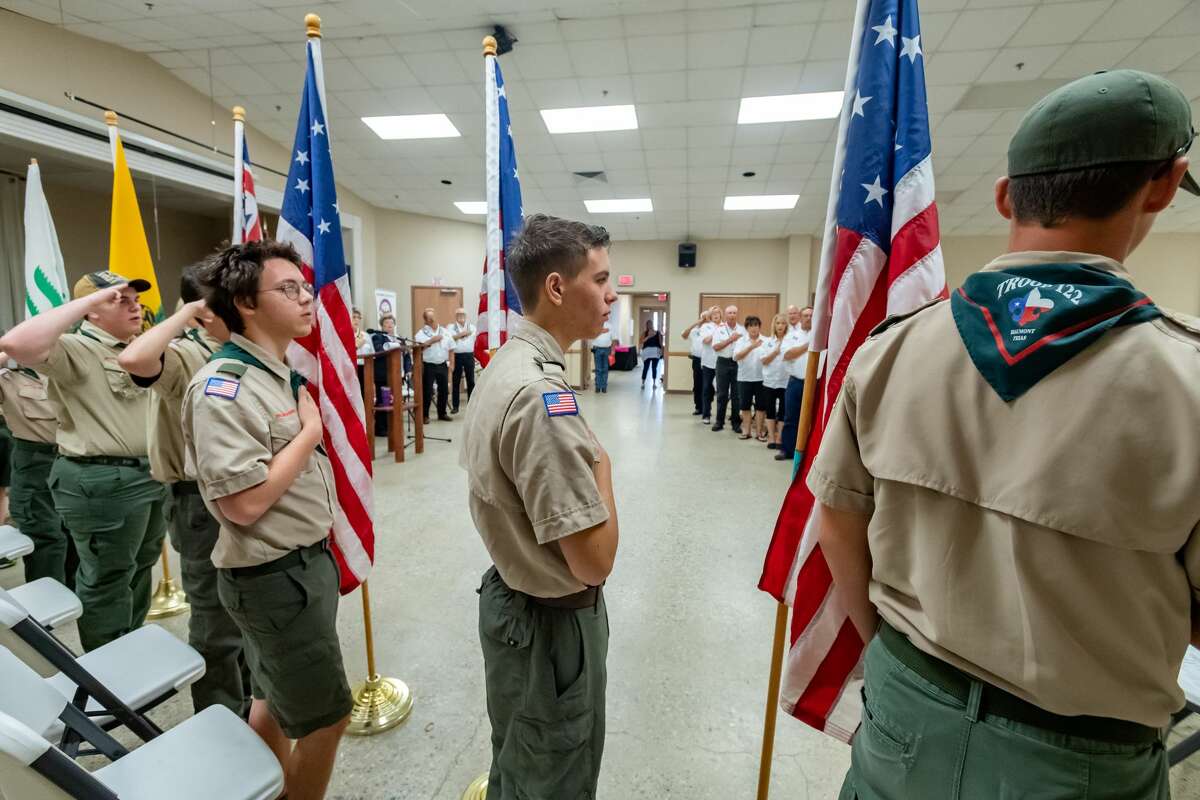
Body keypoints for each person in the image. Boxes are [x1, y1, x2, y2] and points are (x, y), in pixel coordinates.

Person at [815, 70, 1200, 800]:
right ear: (1163, 185)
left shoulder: (892, 350)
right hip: (1080, 756)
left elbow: (838, 522)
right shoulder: (1186, 382)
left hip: (906, 704)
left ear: (1004, 197)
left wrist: (892, 651)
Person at [181, 240, 350, 800]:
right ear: (245, 303)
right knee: (327, 721)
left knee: (272, 698)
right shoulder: (222, 388)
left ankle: (266, 790)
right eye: (288, 288)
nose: (306, 299)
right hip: (274, 578)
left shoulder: (273, 373)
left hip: (301, 566)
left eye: (305, 287)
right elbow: (244, 503)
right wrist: (309, 434)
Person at [461, 214, 619, 800]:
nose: (611, 294)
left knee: (519, 759)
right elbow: (593, 562)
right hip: (549, 626)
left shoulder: (508, 362)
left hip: (515, 598)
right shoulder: (538, 395)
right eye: (600, 280)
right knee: (552, 777)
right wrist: (604, 469)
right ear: (556, 287)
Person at [0, 271, 167, 652]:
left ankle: (132, 644)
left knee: (141, 567)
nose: (134, 306)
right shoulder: (76, 348)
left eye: (135, 299)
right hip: (102, 479)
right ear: (91, 311)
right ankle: (110, 666)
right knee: (107, 578)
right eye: (120, 300)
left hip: (149, 475)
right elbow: (15, 343)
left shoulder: (137, 348)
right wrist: (89, 301)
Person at [117, 266, 251, 718]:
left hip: (246, 490)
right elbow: (136, 360)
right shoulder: (185, 352)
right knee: (215, 619)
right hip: (199, 498)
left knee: (246, 609)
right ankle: (221, 717)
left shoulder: (238, 350)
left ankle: (252, 703)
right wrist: (188, 313)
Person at [0, 351, 76, 586]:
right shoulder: (8, 377)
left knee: (76, 538)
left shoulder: (66, 370)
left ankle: (75, 597)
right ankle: (50, 602)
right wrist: (9, 351)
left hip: (73, 460)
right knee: (47, 540)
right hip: (35, 463)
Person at [776, 305, 812, 462]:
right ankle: (787, 449)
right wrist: (808, 346)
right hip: (796, 382)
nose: (809, 318)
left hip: (815, 384)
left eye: (812, 316)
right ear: (800, 318)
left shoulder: (822, 336)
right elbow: (787, 355)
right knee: (791, 417)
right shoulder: (791, 336)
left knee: (813, 419)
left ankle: (809, 453)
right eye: (806, 316)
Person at [711, 305, 747, 433]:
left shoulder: (743, 330)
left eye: (734, 313)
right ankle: (719, 421)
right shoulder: (719, 329)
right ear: (725, 315)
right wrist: (731, 339)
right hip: (723, 363)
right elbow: (715, 347)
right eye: (729, 313)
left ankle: (736, 423)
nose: (732, 315)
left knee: (736, 395)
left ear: (737, 315)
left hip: (737, 363)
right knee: (722, 394)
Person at [733, 316, 770, 442]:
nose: (754, 328)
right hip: (744, 378)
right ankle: (746, 431)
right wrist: (751, 347)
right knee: (745, 406)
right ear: (747, 328)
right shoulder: (741, 341)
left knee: (761, 406)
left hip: (762, 379)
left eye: (756, 325)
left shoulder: (766, 340)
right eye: (751, 326)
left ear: (759, 327)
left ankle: (759, 433)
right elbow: (736, 357)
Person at [415, 307, 452, 424]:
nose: (432, 320)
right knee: (427, 391)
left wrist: (452, 363)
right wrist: (432, 340)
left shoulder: (445, 331)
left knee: (444, 390)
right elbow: (419, 348)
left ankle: (442, 413)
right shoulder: (421, 333)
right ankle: (424, 415)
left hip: (442, 364)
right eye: (429, 318)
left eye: (433, 317)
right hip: (429, 365)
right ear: (425, 320)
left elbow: (452, 348)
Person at [760, 314, 790, 451]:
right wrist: (775, 352)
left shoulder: (790, 341)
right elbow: (764, 360)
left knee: (783, 411)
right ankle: (771, 437)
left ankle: (780, 438)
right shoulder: (767, 342)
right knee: (770, 410)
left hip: (785, 381)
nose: (780, 326)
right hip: (769, 381)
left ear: (786, 326)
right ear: (774, 325)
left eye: (783, 323)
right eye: (778, 323)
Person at [449, 307, 476, 413]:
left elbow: (474, 337)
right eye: (459, 314)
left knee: (471, 381)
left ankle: (471, 405)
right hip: (457, 356)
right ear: (456, 316)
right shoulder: (451, 327)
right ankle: (455, 406)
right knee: (456, 381)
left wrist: (458, 336)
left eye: (463, 314)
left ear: (466, 316)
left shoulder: (472, 327)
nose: (461, 316)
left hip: (469, 356)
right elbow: (450, 338)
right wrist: (462, 334)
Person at [681, 313, 707, 415]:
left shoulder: (712, 329)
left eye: (706, 318)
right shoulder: (694, 330)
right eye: (703, 318)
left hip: (709, 360)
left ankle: (706, 407)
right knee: (697, 384)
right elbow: (684, 335)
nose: (704, 320)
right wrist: (695, 324)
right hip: (697, 360)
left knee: (708, 385)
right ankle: (698, 407)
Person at [698, 306, 720, 423]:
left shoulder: (725, 327)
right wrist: (716, 331)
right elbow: (706, 341)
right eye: (713, 313)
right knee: (707, 388)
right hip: (708, 363)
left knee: (722, 391)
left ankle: (720, 417)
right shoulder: (705, 327)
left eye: (717, 313)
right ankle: (706, 415)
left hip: (722, 363)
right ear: (710, 316)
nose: (716, 315)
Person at [591, 314, 613, 393]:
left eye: (606, 316)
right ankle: (598, 386)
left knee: (605, 369)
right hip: (597, 349)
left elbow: (614, 338)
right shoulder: (595, 325)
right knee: (598, 369)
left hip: (607, 349)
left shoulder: (610, 326)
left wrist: (613, 350)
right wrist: (601, 331)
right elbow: (591, 335)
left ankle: (604, 387)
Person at [639, 320, 662, 389]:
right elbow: (641, 341)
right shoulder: (644, 333)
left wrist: (662, 351)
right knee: (646, 367)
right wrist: (648, 336)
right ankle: (643, 383)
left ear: (652, 324)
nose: (649, 325)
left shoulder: (658, 333)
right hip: (647, 353)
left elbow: (660, 343)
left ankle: (654, 383)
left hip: (655, 352)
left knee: (654, 368)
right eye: (648, 324)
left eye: (650, 324)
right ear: (646, 325)